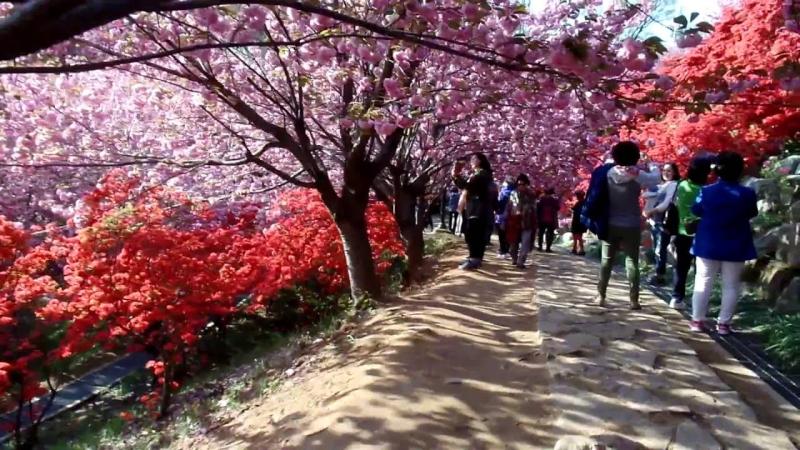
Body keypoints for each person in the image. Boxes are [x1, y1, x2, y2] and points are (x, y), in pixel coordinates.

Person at [584, 141, 660, 309]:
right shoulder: (637, 174)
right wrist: (652, 164)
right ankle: (634, 300)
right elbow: (656, 178)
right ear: (635, 157)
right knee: (632, 261)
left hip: (610, 222)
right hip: (632, 223)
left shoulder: (608, 173)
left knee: (606, 261)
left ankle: (601, 296)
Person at [689, 152, 757, 335]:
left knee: (703, 281)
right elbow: (752, 213)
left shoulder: (707, 191)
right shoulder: (748, 193)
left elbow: (696, 209)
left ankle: (697, 320)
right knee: (731, 284)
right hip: (736, 242)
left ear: (717, 170)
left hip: (708, 242)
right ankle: (724, 324)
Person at [669, 157, 712, 310]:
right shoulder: (705, 190)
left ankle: (676, 297)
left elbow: (674, 205)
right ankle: (697, 301)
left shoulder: (682, 185)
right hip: (701, 233)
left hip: (682, 231)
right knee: (700, 271)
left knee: (681, 267)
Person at [451, 153, 493, 270]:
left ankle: (474, 259)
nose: (471, 161)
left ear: (480, 161)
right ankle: (474, 258)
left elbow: (468, 187)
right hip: (474, 207)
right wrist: (456, 176)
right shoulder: (479, 174)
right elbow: (468, 186)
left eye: (474, 159)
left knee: (474, 234)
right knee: (472, 234)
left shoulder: (482, 175)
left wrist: (455, 175)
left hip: (478, 208)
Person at [643, 163, 681, 285]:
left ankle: (660, 275)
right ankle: (659, 273)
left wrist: (650, 211)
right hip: (655, 221)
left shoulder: (673, 185)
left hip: (664, 222)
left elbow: (666, 204)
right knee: (657, 248)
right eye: (664, 170)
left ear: (675, 172)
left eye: (669, 170)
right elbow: (647, 194)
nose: (666, 172)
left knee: (660, 249)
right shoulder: (662, 186)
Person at [505, 174, 537, 269]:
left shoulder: (531, 194)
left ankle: (521, 261)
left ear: (526, 184)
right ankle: (514, 259)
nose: (520, 186)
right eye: (518, 184)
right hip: (514, 222)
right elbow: (509, 207)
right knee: (513, 245)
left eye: (523, 184)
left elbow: (534, 209)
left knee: (525, 243)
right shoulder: (513, 193)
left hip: (527, 222)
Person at [495, 177, 515, 259]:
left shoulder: (503, 192)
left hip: (501, 216)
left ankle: (503, 250)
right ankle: (507, 250)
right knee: (509, 234)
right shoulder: (515, 192)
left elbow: (499, 203)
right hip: (512, 217)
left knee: (502, 234)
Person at [536, 188, 560, 252]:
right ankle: (548, 247)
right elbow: (557, 208)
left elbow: (537, 208)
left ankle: (540, 246)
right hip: (551, 218)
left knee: (541, 232)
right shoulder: (554, 200)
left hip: (542, 218)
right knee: (550, 233)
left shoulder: (541, 199)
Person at [570, 190, 587, 255]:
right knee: (579, 235)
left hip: (577, 221)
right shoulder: (584, 203)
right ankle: (576, 248)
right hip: (582, 221)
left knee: (577, 235)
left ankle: (580, 249)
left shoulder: (579, 203)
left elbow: (575, 210)